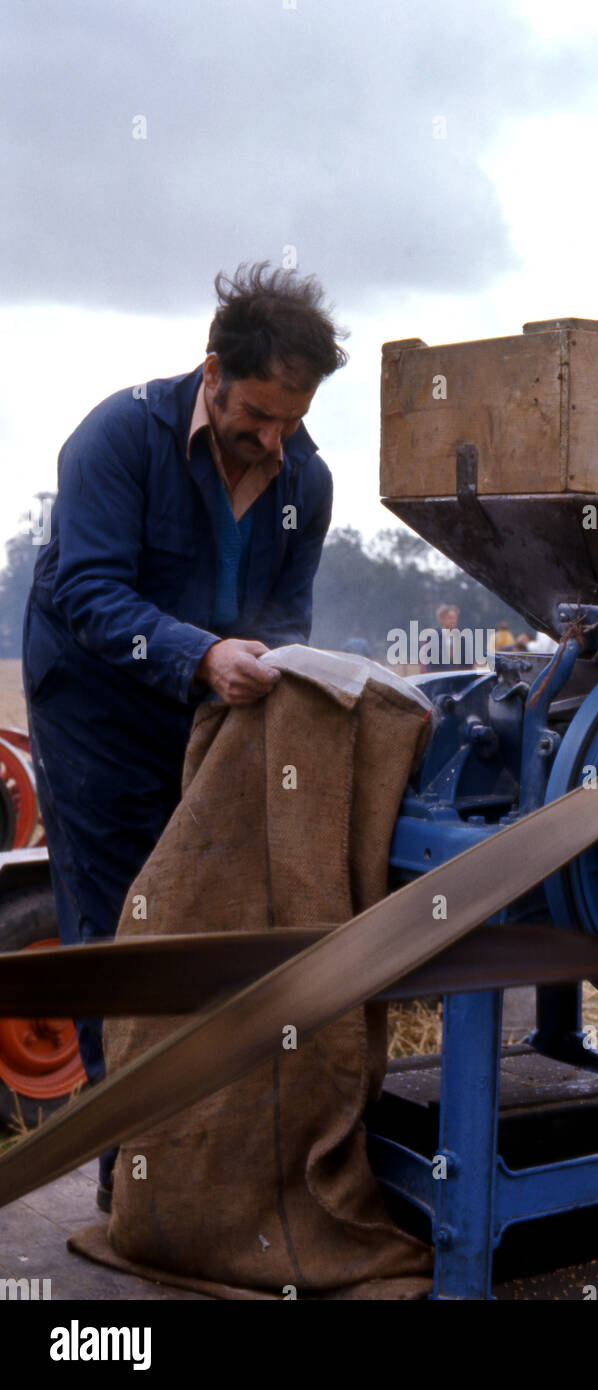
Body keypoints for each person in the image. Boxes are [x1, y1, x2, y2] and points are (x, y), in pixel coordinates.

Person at [22, 262, 347, 1205]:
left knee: (212, 906)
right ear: (211, 371)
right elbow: (87, 591)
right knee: (121, 925)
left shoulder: (308, 479)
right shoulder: (119, 436)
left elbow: (288, 613)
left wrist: (281, 669)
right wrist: (201, 656)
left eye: (292, 418)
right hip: (96, 704)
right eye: (257, 413)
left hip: (212, 709)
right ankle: (128, 1172)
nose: (272, 437)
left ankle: (209, 1146)